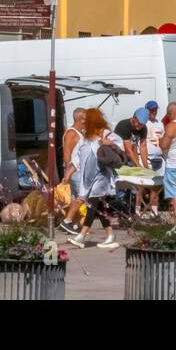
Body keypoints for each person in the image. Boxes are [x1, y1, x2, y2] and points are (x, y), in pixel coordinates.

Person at [67, 107, 121, 250]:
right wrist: (68, 174)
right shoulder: (84, 139)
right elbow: (76, 159)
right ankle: (110, 235)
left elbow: (121, 147)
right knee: (100, 207)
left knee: (91, 205)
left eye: (87, 120)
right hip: (88, 179)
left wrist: (111, 144)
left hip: (102, 178)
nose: (84, 123)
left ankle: (81, 236)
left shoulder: (104, 135)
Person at [113, 108, 151, 216]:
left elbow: (143, 147)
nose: (139, 127)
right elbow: (128, 150)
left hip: (131, 159)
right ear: (134, 118)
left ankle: (130, 210)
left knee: (135, 186)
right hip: (119, 159)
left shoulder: (143, 128)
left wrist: (146, 166)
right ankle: (119, 211)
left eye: (142, 125)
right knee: (122, 186)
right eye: (138, 124)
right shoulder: (124, 125)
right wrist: (139, 166)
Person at [57, 108, 87, 233]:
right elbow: (67, 154)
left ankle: (70, 223)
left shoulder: (79, 133)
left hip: (78, 170)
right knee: (82, 196)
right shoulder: (71, 133)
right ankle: (68, 221)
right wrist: (68, 171)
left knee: (76, 198)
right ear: (81, 119)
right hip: (75, 171)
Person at [142, 100, 165, 218]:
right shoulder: (143, 123)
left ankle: (154, 212)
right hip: (146, 157)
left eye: (155, 109)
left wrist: (163, 153)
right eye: (152, 109)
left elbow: (162, 140)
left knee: (156, 186)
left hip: (158, 157)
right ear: (147, 110)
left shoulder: (160, 124)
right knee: (141, 185)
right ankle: (137, 210)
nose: (154, 111)